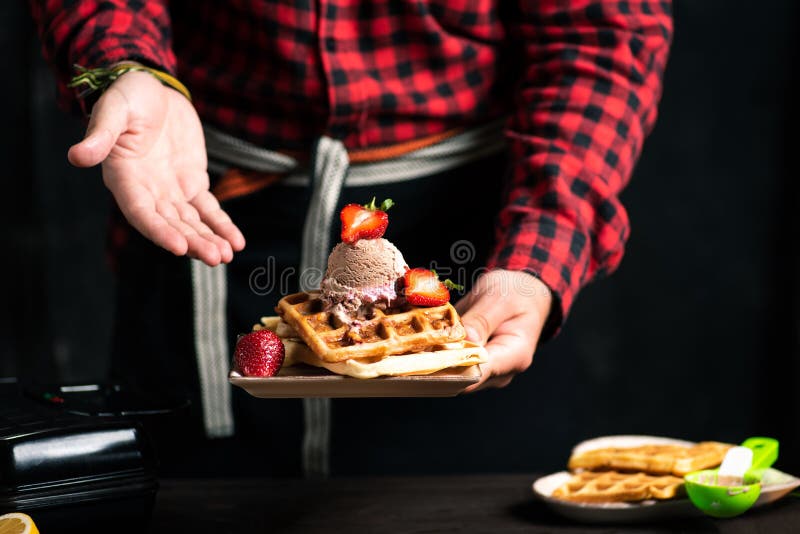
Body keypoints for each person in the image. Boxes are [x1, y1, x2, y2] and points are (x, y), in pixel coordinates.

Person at [30, 1, 673, 477]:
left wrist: (542, 255)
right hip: (194, 197)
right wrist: (125, 63)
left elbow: (603, 36)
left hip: (477, 231)